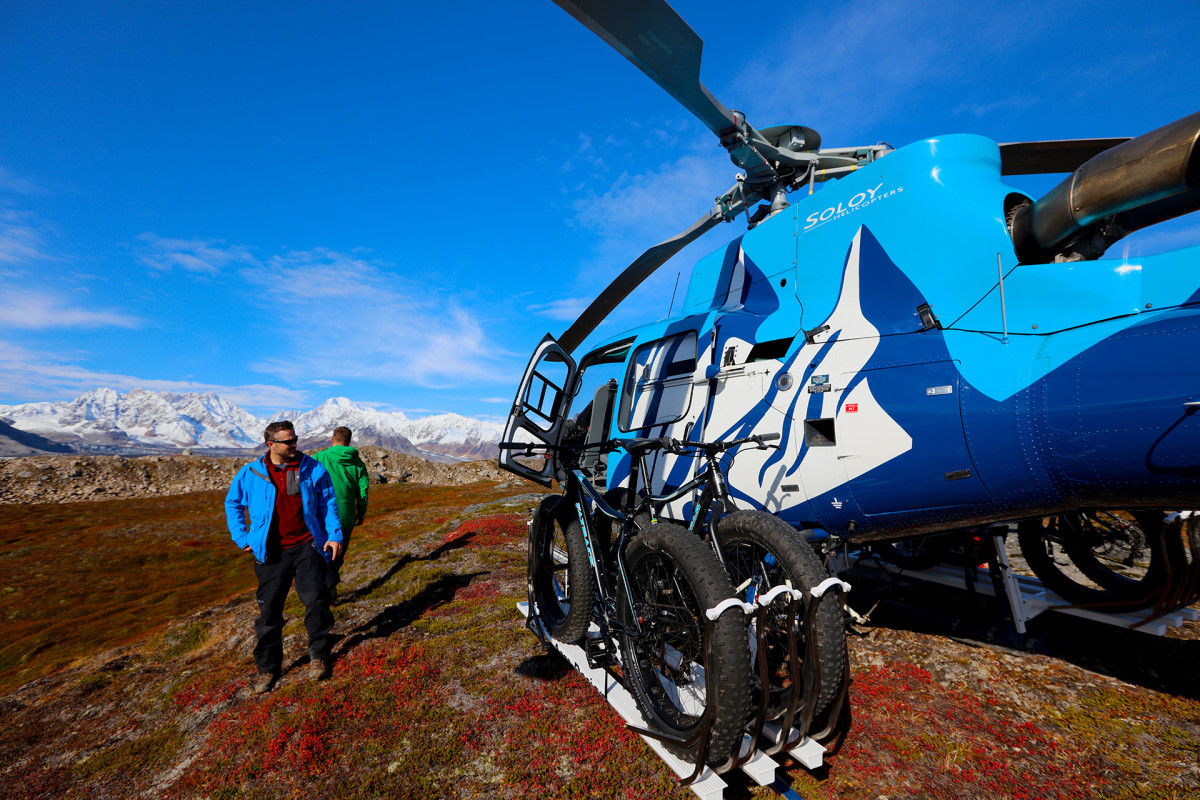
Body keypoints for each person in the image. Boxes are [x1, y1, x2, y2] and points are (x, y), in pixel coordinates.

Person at [225, 420, 344, 693]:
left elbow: (328, 502)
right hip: (270, 551)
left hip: (307, 545)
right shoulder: (251, 472)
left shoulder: (312, 468)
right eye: (289, 441)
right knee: (269, 612)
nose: (295, 445)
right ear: (271, 444)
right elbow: (233, 503)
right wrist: (242, 538)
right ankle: (268, 669)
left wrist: (334, 534)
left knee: (316, 601)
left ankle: (319, 656)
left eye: (295, 439)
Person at [313, 426, 369, 593]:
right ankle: (330, 589)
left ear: (332, 440)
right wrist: (361, 512)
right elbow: (362, 492)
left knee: (318, 553)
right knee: (337, 554)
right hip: (346, 516)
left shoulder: (320, 457)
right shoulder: (358, 464)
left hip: (320, 516)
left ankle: (320, 590)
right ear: (349, 442)